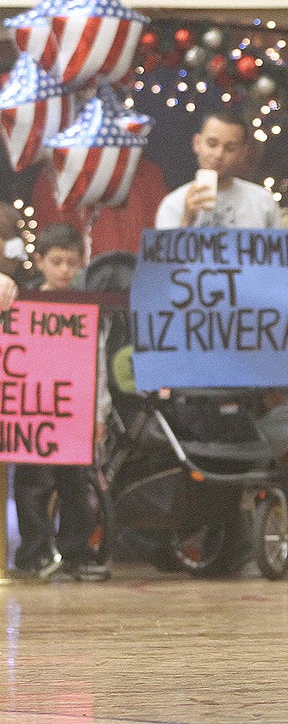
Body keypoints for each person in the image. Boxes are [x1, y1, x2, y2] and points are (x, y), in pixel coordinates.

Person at [155, 106, 288, 471]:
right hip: (201, 337)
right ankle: (230, 454)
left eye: (230, 147)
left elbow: (276, 270)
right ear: (196, 144)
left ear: (242, 152)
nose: (219, 155)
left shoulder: (261, 201)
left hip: (259, 333)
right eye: (211, 144)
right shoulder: (173, 204)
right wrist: (188, 218)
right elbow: (163, 281)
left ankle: (243, 447)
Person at [11, 223, 108, 581]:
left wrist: (100, 412)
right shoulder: (20, 304)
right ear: (40, 262)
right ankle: (33, 554)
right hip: (32, 411)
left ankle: (76, 553)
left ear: (82, 262)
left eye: (71, 262)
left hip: (74, 412)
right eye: (56, 262)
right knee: (33, 486)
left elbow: (97, 362)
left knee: (76, 488)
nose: (65, 269)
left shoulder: (86, 307)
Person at [31, 154, 169, 258]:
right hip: (79, 282)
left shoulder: (148, 174)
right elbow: (51, 245)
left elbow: (163, 234)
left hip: (138, 276)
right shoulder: (52, 179)